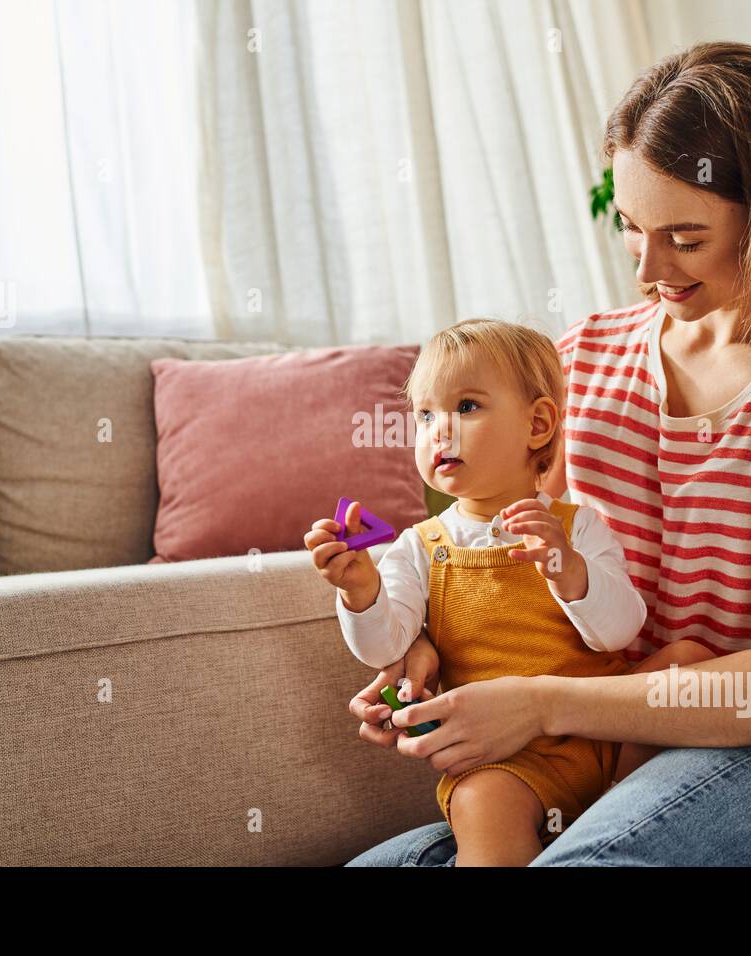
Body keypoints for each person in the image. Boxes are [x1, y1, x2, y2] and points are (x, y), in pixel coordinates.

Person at [342, 40, 751, 866]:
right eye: (630, 229)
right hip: (617, 744)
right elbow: (522, 561)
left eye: (685, 237)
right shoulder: (580, 362)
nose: (649, 268)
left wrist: (541, 706)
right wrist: (426, 651)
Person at [305, 318, 714, 865]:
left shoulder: (578, 527)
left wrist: (568, 570)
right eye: (425, 416)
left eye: (466, 407)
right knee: (481, 800)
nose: (439, 431)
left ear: (538, 424)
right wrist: (360, 591)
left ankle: (614, 825)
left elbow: (621, 630)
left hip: (609, 731)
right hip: (503, 758)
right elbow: (384, 649)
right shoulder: (418, 546)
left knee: (687, 662)